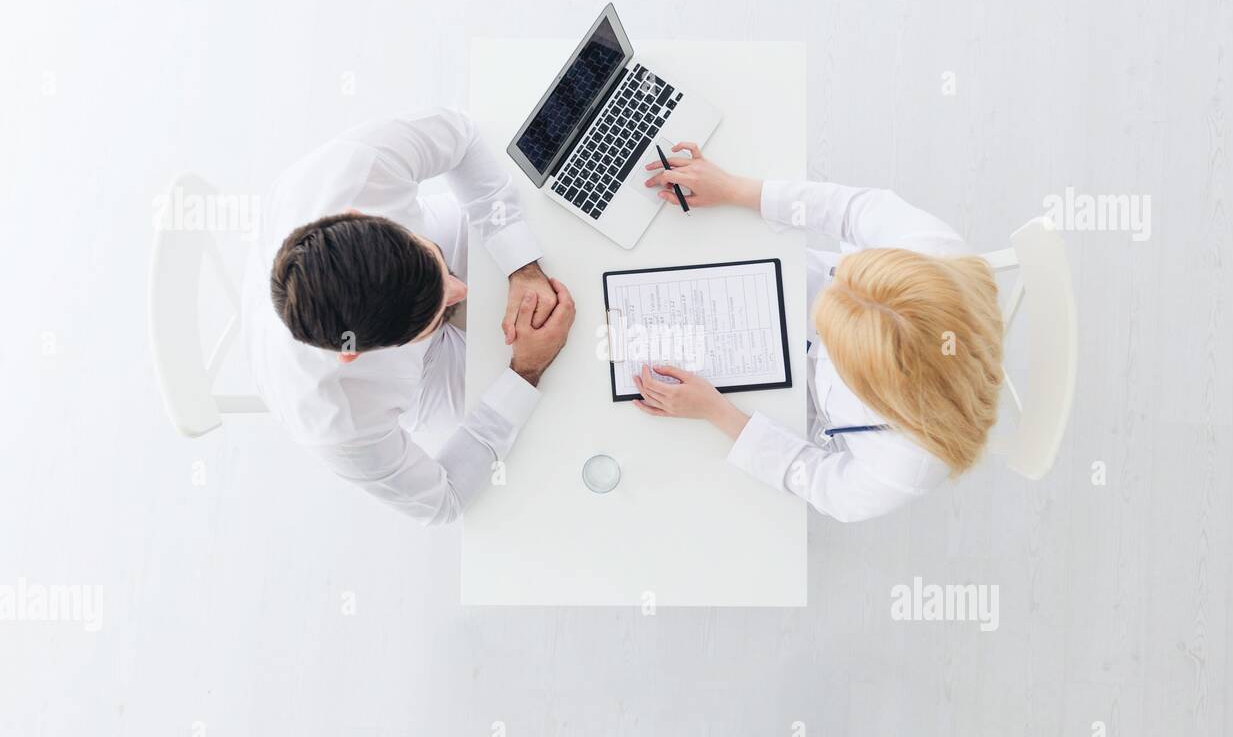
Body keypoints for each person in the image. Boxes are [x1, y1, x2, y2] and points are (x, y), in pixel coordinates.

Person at [635, 143, 1003, 523]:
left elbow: (815, 478)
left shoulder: (905, 467)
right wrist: (735, 189)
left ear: (863, 383)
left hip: (796, 401)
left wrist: (716, 411)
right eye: (841, 281)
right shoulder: (930, 251)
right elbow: (850, 210)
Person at [241, 109, 575, 525]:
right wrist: (525, 372)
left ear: (363, 215)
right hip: (421, 378)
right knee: (561, 400)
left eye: (435, 263)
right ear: (354, 355)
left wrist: (521, 264)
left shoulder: (360, 167)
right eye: (434, 314)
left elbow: (463, 137)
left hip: (392, 275)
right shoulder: (342, 423)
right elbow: (445, 500)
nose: (462, 291)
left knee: (560, 242)